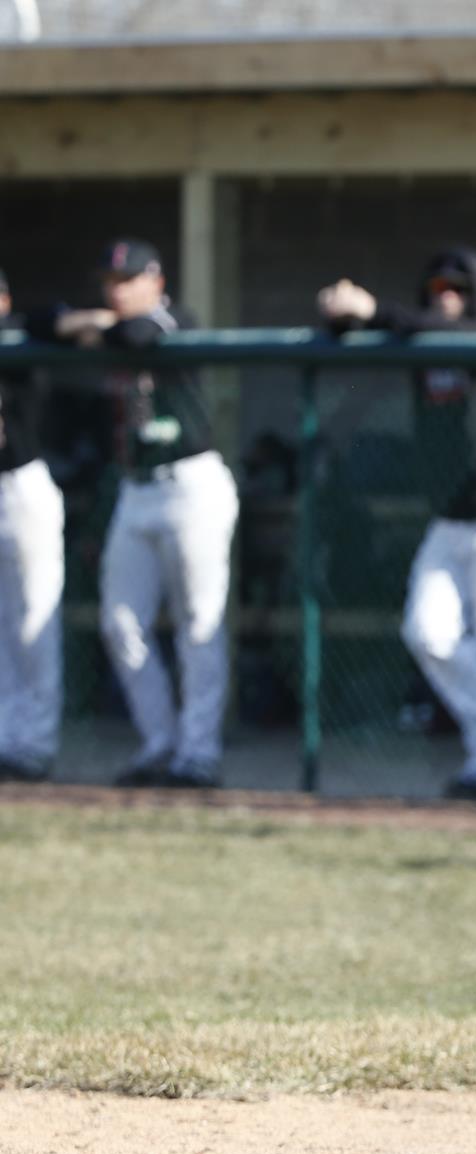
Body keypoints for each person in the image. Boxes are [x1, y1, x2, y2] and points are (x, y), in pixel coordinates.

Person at [319, 247, 476, 800]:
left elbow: (427, 328)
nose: (447, 297)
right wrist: (343, 314)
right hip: (450, 517)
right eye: (438, 288)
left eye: (459, 288)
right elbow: (365, 332)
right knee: (426, 630)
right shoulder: (414, 334)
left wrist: (376, 310)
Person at [28, 239, 236, 788]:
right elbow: (42, 321)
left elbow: (141, 333)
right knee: (120, 623)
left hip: (192, 483)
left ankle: (199, 753)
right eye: (110, 282)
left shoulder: (177, 315)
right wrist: (90, 323)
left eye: (127, 281)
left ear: (155, 280)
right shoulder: (106, 320)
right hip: (135, 488)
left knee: (199, 624)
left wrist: (92, 325)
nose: (117, 291)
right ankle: (159, 743)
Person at [0, 265, 65, 782]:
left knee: (33, 620)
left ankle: (35, 743)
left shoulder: (23, 333)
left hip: (21, 486)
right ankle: (7, 737)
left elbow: (59, 319)